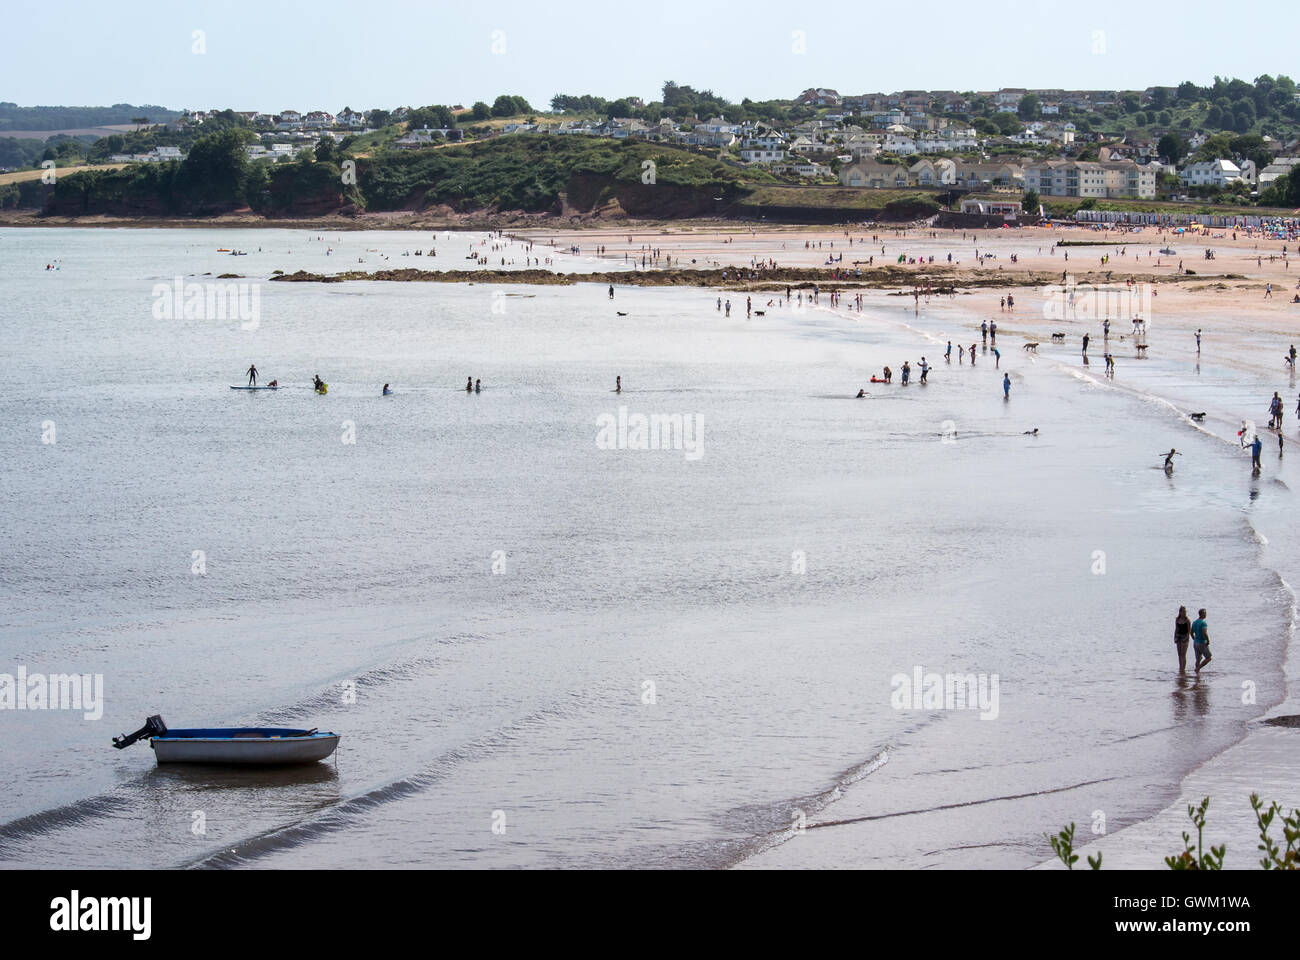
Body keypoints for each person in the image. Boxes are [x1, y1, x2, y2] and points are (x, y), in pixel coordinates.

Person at [1174, 606, 1192, 673]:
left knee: (1183, 654)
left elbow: (1189, 631)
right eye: (1183, 612)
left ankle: (1183, 668)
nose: (1184, 613)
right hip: (1179, 636)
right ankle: (1180, 667)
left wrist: (1187, 638)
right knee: (1179, 654)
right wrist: (1174, 637)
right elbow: (1176, 629)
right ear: (1180, 612)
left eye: (1185, 612)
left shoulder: (1187, 620)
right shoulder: (1177, 619)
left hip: (1185, 636)